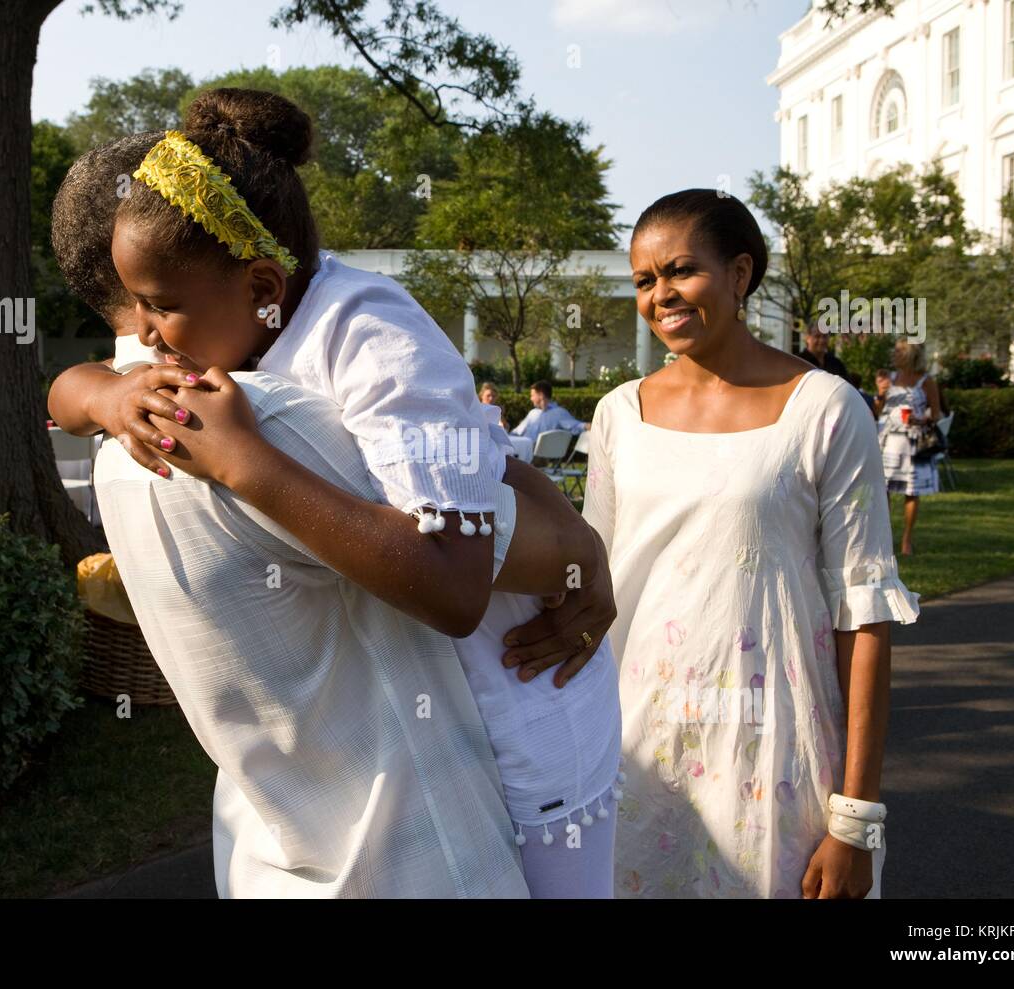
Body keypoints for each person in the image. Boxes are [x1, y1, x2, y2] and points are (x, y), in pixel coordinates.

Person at [47, 92, 622, 897]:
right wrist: (106, 399)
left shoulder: (373, 337)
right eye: (133, 304)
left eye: (156, 306)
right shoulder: (211, 316)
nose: (139, 333)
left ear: (261, 283)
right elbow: (65, 391)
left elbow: (455, 582)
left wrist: (248, 465)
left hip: (527, 708)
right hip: (456, 720)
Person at [582, 189, 919, 899]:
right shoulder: (619, 414)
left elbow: (864, 614)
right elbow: (593, 589)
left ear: (740, 274)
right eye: (645, 280)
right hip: (635, 764)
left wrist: (855, 819)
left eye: (681, 271)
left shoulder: (824, 408)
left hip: (777, 766)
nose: (661, 294)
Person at [874, 341, 942, 556]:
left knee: (911, 491)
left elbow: (936, 414)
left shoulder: (926, 381)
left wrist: (921, 419)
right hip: (887, 442)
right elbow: (878, 411)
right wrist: (880, 394)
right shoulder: (890, 379)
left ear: (911, 354)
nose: (894, 353)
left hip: (913, 443)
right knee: (882, 490)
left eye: (899, 350)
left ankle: (906, 540)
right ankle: (884, 538)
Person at [510, 380, 588, 444]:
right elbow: (517, 432)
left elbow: (576, 425)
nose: (531, 398)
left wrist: (591, 426)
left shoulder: (559, 413)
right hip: (523, 449)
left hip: (538, 454)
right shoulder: (533, 413)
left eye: (532, 395)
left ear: (540, 395)